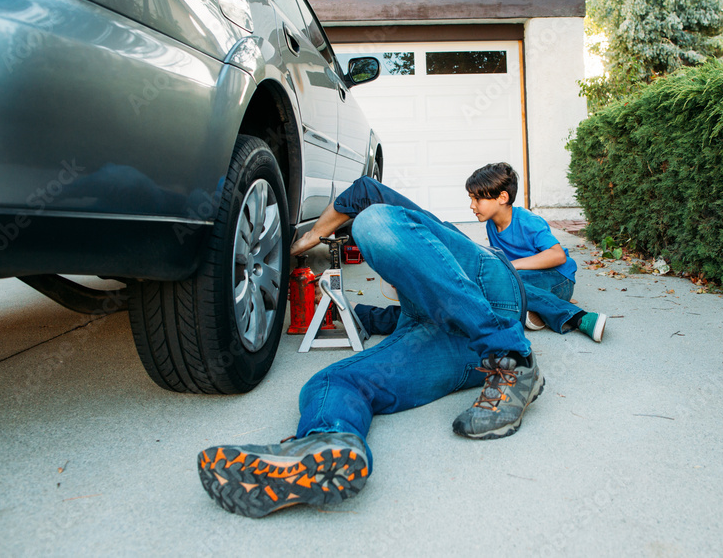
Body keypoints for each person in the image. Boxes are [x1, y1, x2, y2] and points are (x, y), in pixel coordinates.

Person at [197, 181, 544, 518]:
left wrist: (306, 241)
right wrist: (340, 307)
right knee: (331, 383)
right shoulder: (416, 306)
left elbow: (365, 190)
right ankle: (329, 441)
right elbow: (390, 317)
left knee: (373, 221)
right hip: (454, 346)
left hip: (489, 295)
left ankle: (513, 359)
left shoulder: (440, 234)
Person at [466, 162, 606, 343]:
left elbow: (558, 255)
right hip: (528, 282)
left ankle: (578, 317)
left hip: (558, 278)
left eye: (477, 199)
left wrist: (513, 265)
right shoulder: (491, 225)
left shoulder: (528, 221)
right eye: (470, 199)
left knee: (505, 282)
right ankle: (536, 313)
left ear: (502, 197)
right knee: (493, 284)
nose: (472, 205)